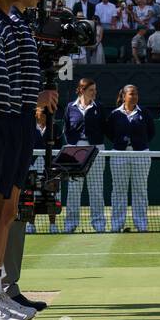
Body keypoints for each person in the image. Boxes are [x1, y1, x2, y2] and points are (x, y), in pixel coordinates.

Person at [105, 84, 154, 232]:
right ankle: (117, 225)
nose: (135, 97)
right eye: (131, 94)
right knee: (119, 191)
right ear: (124, 96)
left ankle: (141, 225)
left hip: (141, 155)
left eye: (136, 94)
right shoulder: (115, 114)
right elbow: (110, 133)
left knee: (140, 190)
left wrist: (138, 144)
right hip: (119, 155)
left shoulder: (144, 113)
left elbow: (151, 132)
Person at [64, 78, 107, 233]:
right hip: (76, 150)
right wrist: (72, 147)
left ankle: (99, 225)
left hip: (95, 149)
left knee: (96, 189)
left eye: (95, 90)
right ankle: (70, 225)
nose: (94, 93)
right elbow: (66, 128)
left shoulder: (99, 108)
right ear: (82, 90)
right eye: (91, 90)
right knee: (74, 189)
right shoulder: (70, 107)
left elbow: (104, 127)